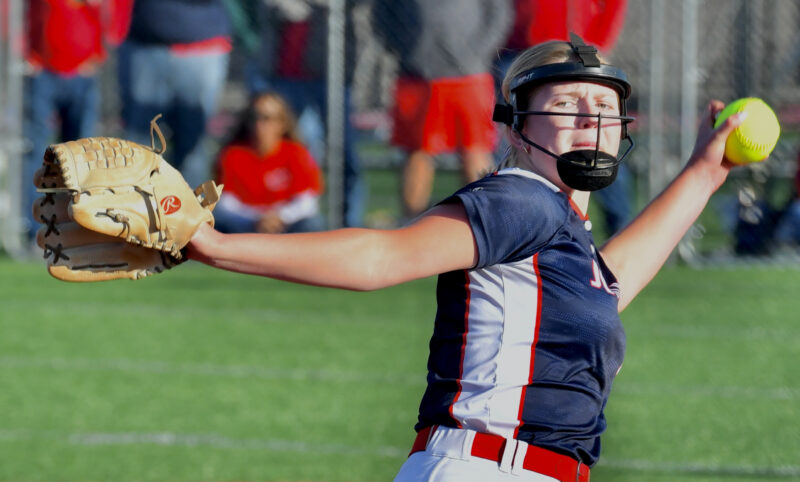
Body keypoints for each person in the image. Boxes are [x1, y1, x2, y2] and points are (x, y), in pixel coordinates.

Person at [185, 35, 745, 481]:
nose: (590, 116)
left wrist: (702, 176)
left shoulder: (562, 230)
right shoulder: (522, 199)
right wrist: (216, 245)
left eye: (603, 103)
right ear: (520, 130)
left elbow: (611, 283)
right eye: (566, 102)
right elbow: (383, 256)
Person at [372, 0, 513, 220]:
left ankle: (484, 224)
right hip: (417, 75)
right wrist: (408, 51)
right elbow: (382, 14)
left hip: (470, 76)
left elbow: (499, 15)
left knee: (474, 150)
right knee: (417, 153)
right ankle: (412, 226)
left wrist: (474, 56)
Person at [240, 0, 367, 228]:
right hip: (284, 73)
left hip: (330, 73)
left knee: (344, 152)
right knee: (285, 149)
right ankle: (285, 220)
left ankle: (349, 224)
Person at [23, 0, 133, 239]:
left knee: (80, 158)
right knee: (37, 154)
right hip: (44, 71)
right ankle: (35, 229)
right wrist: (28, 54)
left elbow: (114, 18)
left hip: (84, 72)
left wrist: (98, 53)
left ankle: (80, 227)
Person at [116, 0, 232, 189]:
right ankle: (136, 216)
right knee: (138, 149)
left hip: (201, 50)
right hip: (144, 47)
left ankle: (191, 215)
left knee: (192, 150)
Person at [213, 91, 325, 235]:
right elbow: (225, 204)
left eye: (267, 118)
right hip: (247, 225)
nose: (260, 125)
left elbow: (308, 203)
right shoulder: (232, 154)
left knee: (313, 224)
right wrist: (258, 219)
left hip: (285, 225)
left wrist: (280, 217)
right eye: (254, 118)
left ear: (282, 124)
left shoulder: (297, 153)